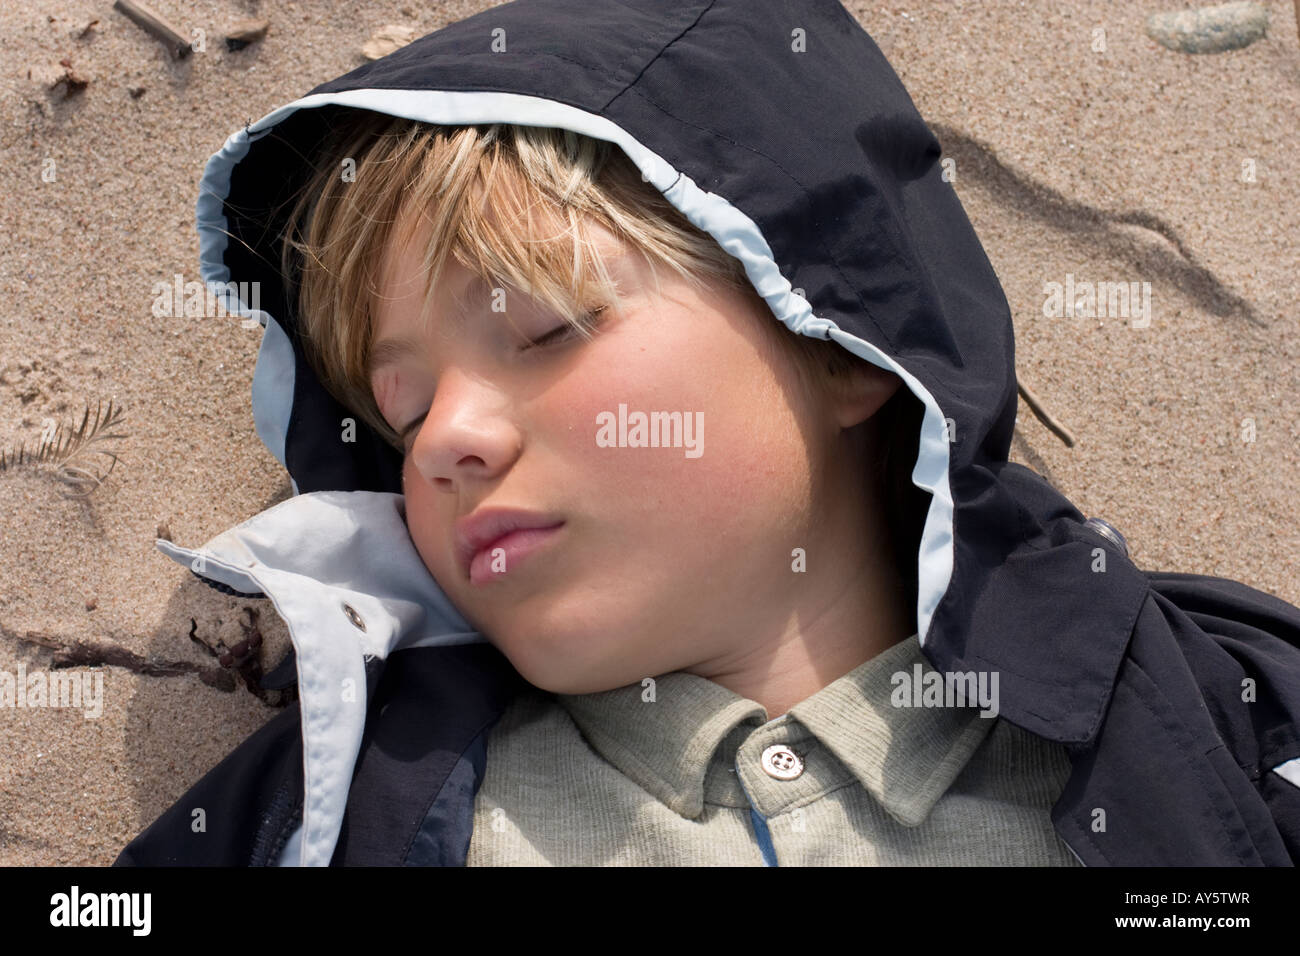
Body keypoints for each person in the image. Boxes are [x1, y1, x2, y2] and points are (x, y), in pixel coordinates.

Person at [115, 0, 1300, 866]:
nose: (444, 440)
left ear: (838, 340)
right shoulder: (320, 813)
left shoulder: (1227, 716)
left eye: (545, 326)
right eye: (402, 407)